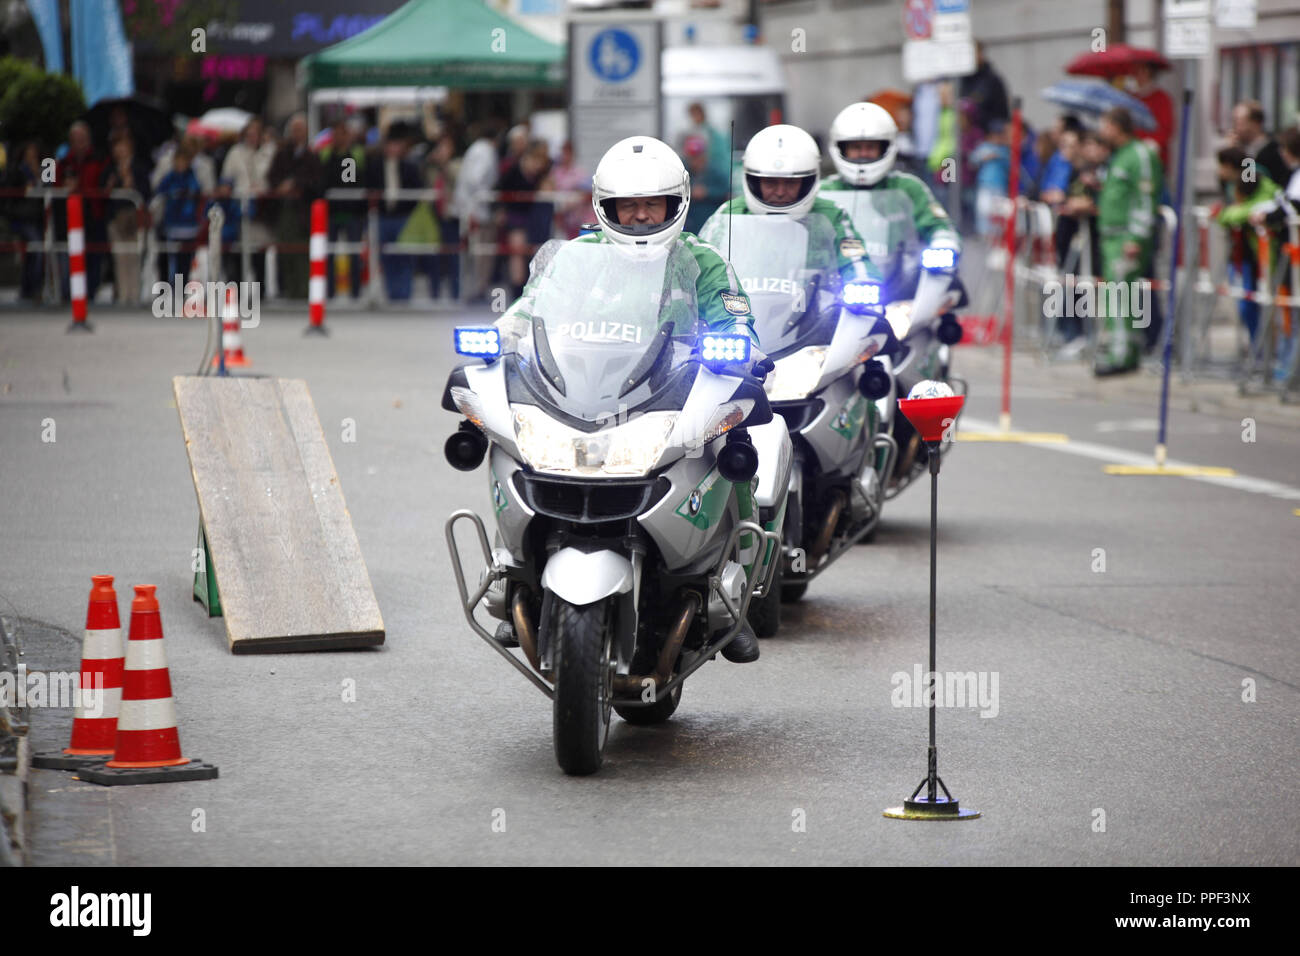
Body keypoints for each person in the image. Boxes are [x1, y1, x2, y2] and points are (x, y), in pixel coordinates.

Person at [820, 101, 961, 298]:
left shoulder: (909, 187)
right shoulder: (823, 191)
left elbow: (938, 225)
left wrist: (943, 244)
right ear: (841, 149)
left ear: (886, 148)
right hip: (840, 291)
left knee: (947, 304)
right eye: (856, 147)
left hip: (901, 286)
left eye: (871, 147)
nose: (863, 153)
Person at [699, 123, 870, 286]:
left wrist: (862, 281)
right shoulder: (729, 214)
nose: (780, 192)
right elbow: (706, 266)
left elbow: (855, 260)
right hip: (747, 306)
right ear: (754, 181)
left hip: (817, 306)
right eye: (770, 182)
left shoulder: (832, 215)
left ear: (806, 181)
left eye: (790, 183)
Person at [1094, 107, 1164, 376]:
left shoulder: (1140, 154)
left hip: (1126, 236)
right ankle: (1128, 352)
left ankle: (1121, 357)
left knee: (1119, 296)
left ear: (1116, 125)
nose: (1101, 131)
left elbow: (1144, 198)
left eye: (1105, 125)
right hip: (1112, 236)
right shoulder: (1119, 156)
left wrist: (1136, 237)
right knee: (1120, 295)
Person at [1215, 145, 1281, 351]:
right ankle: (1259, 349)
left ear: (1229, 165)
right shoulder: (1231, 182)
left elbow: (1252, 207)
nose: (1219, 171)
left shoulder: (1251, 174)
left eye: (1221, 166)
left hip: (1257, 253)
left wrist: (1226, 214)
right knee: (1247, 303)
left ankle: (1265, 351)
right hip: (1243, 252)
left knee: (1260, 304)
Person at [266, 113, 325, 300]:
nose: (297, 133)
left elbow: (318, 184)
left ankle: (304, 291)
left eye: (300, 130)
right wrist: (281, 186)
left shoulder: (312, 156)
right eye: (294, 130)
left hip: (303, 212)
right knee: (285, 251)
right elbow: (272, 177)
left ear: (306, 132)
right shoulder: (282, 155)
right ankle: (289, 290)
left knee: (302, 253)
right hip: (284, 210)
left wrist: (296, 184)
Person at [362, 122, 423, 301]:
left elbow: (417, 191)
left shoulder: (409, 167)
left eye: (397, 145)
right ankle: (392, 293)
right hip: (383, 217)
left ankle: (404, 293)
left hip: (403, 217)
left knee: (405, 255)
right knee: (386, 256)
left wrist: (407, 209)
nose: (394, 149)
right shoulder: (374, 166)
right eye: (391, 145)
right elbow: (367, 188)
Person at [55, 121, 108, 301]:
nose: (79, 142)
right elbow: (52, 185)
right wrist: (63, 187)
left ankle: (90, 294)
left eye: (83, 138)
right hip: (69, 216)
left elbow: (104, 181)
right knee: (70, 256)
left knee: (93, 256)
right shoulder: (63, 162)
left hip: (93, 214)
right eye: (76, 139)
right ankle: (69, 296)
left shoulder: (99, 159)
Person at [221, 116, 274, 287]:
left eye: (255, 134)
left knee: (259, 250)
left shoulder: (269, 152)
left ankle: (260, 290)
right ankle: (235, 288)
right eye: (249, 134)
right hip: (239, 208)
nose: (252, 138)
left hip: (261, 208)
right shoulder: (235, 153)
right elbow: (226, 178)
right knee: (238, 251)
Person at [451, 120, 501, 303]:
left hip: (472, 208)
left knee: (475, 251)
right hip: (478, 210)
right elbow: (476, 179)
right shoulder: (485, 151)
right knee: (481, 252)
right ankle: (478, 288)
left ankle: (475, 288)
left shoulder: (475, 149)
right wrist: (488, 198)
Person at [99, 134, 151, 303]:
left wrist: (129, 178)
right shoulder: (110, 169)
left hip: (134, 218)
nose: (120, 151)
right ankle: (122, 296)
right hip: (115, 218)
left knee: (134, 257)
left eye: (123, 146)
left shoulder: (139, 167)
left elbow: (146, 192)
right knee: (119, 257)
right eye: (117, 147)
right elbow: (102, 192)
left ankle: (134, 295)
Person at [319, 118, 367, 300]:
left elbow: (352, 181)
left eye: (342, 134)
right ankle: (330, 291)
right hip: (331, 212)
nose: (339, 138)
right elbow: (324, 180)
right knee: (329, 253)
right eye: (336, 134)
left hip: (351, 212)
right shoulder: (326, 154)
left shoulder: (354, 155)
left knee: (354, 253)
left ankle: (355, 291)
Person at [6, 141, 48, 302]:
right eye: (29, 153)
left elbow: (50, 186)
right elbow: (11, 194)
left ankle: (28, 289)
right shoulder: (17, 170)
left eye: (34, 153)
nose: (32, 156)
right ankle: (34, 289)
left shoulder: (46, 166)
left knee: (33, 253)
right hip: (23, 218)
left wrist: (38, 172)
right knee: (36, 250)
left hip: (40, 216)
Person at [156, 145, 202, 285]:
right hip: (172, 224)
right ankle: (169, 286)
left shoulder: (192, 177)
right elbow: (160, 190)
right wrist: (174, 193)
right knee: (171, 258)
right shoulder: (170, 177)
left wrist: (186, 192)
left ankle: (182, 286)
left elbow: (197, 191)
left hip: (188, 225)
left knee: (186, 260)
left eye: (183, 161)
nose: (180, 164)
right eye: (178, 161)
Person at [1230, 100, 1288, 189]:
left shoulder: (1275, 152)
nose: (1235, 128)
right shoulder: (1240, 150)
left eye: (1239, 123)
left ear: (1255, 123)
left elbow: (1248, 185)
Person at [1128, 62, 1174, 172]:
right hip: (1132, 155)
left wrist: (1150, 144)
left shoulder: (1162, 98)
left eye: (1143, 72)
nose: (1139, 76)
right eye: (1136, 72)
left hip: (1155, 156)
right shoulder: (1130, 97)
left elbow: (1166, 128)